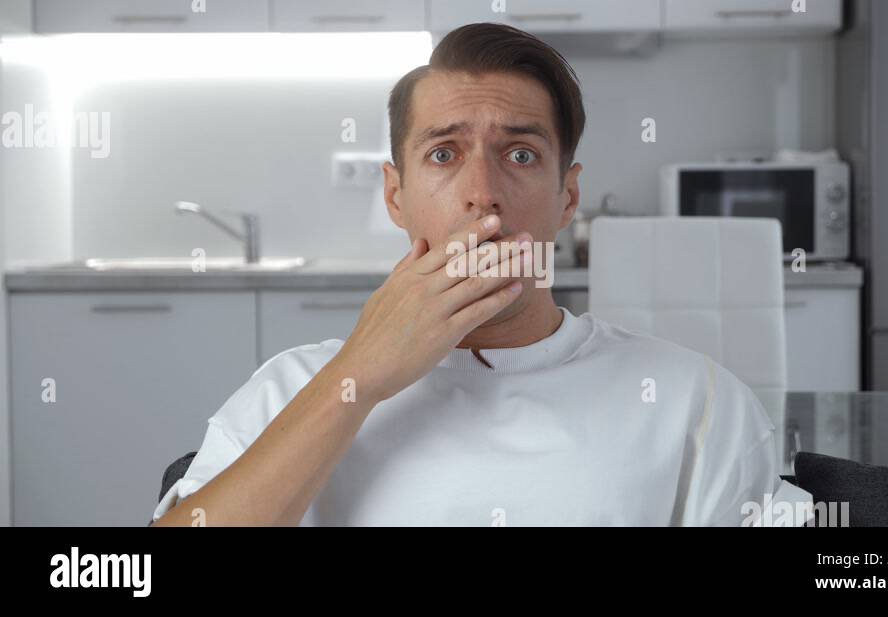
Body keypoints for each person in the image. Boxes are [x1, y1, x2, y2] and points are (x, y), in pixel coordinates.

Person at [151, 22, 810, 527]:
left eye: (520, 153)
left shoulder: (695, 401)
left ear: (568, 199)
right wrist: (363, 371)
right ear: (396, 196)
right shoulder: (290, 389)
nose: (482, 193)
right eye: (444, 153)